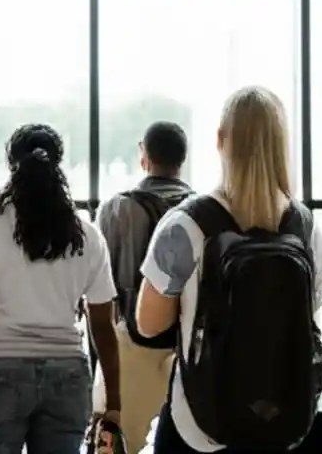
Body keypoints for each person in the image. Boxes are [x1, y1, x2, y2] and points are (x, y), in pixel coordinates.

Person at [136, 86, 322, 454]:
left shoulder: (186, 225)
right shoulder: (305, 229)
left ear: (221, 140)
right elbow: (309, 314)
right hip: (285, 420)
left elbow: (149, 324)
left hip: (201, 421)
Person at [0, 123, 122, 453]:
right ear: (58, 163)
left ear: (11, 165)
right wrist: (114, 407)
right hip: (67, 377)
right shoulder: (87, 235)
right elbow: (102, 327)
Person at [94, 121, 194, 452]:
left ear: (143, 155)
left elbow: (98, 286)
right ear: (183, 158)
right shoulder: (204, 212)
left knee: (115, 442)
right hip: (188, 350)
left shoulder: (116, 209)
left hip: (130, 345)